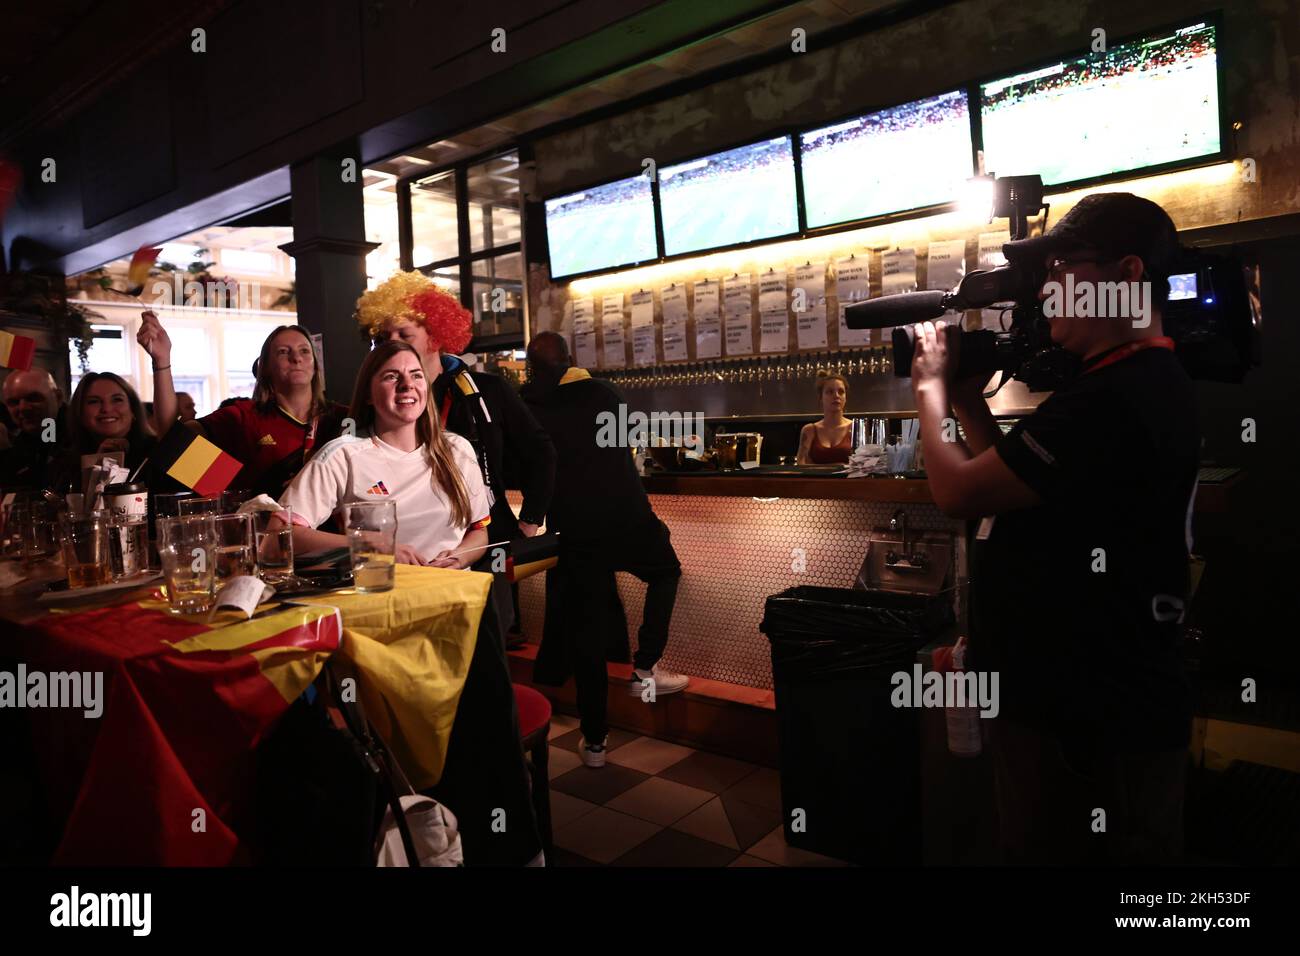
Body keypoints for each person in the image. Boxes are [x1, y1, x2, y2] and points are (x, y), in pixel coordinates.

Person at [909, 193, 1197, 865]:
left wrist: (926, 390)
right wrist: (966, 400)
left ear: (1127, 275)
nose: (1048, 286)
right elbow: (1015, 486)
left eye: (1065, 265)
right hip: (1072, 706)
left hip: (1091, 720)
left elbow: (955, 492)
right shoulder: (1117, 382)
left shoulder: (1117, 395)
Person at [521, 331, 688, 768]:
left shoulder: (527, 404)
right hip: (626, 517)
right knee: (665, 571)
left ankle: (595, 743)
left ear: (532, 368)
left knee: (587, 639)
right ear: (571, 359)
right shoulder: (604, 392)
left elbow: (527, 462)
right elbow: (629, 444)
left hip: (575, 531)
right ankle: (645, 667)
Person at [355, 272, 555, 634]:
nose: (392, 343)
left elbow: (541, 451)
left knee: (488, 639)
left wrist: (529, 520)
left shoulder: (488, 391)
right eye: (383, 337)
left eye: (404, 334)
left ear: (435, 335)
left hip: (484, 540)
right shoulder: (382, 399)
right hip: (409, 553)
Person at [282, 339, 490, 568]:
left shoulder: (458, 450)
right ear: (368, 394)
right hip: (380, 594)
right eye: (391, 376)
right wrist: (368, 544)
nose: (407, 384)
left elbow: (479, 532)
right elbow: (280, 534)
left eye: (416, 375)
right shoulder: (342, 455)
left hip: (454, 595)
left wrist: (460, 557)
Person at [142, 313, 348, 499]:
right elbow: (172, 441)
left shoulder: (343, 418)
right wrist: (162, 361)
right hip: (265, 533)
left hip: (332, 535)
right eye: (283, 352)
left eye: (304, 351)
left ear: (315, 365)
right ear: (264, 368)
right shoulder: (243, 417)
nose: (296, 358)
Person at [1, 367, 66, 491]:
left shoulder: (81, 436)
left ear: (58, 397)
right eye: (13, 402)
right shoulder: (22, 444)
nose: (23, 408)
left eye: (33, 398)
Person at [796, 373, 852, 464]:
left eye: (841, 391)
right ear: (821, 397)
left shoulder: (854, 428)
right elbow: (801, 464)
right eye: (830, 392)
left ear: (846, 398)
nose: (836, 396)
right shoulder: (809, 430)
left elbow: (865, 464)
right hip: (816, 478)